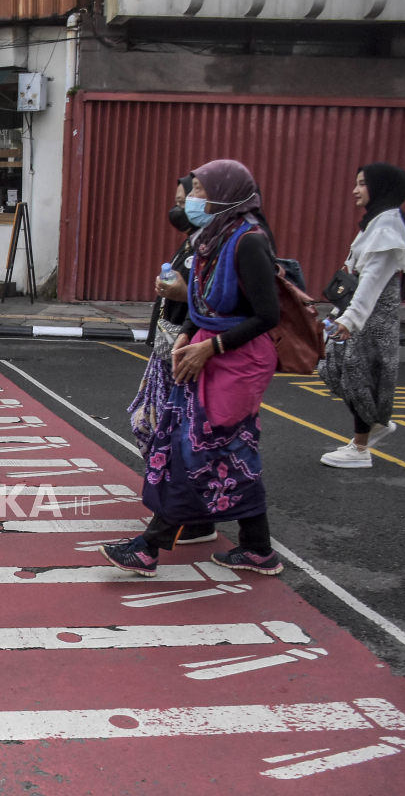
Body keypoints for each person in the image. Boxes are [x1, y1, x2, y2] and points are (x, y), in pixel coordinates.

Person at [100, 159, 284, 577]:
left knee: (195, 451)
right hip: (203, 352)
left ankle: (149, 547)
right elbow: (203, 304)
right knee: (228, 455)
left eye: (200, 191)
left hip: (237, 362)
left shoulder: (248, 241)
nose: (193, 199)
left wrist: (212, 345)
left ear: (225, 195)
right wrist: (187, 333)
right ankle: (257, 547)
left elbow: (267, 315)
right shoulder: (211, 239)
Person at [125, 175, 215, 546]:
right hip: (171, 348)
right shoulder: (194, 241)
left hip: (194, 353)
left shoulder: (226, 244)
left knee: (179, 437)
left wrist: (183, 292)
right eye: (182, 198)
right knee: (153, 425)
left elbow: (222, 303)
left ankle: (184, 520)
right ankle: (182, 509)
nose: (183, 205)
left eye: (193, 195)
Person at [318, 163, 405, 468]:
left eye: (362, 184)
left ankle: (360, 448)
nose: (355, 190)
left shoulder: (387, 225)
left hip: (370, 316)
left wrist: (349, 320)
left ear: (380, 186)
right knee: (334, 366)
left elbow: (372, 278)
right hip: (359, 311)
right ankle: (375, 424)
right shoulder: (377, 221)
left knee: (359, 374)